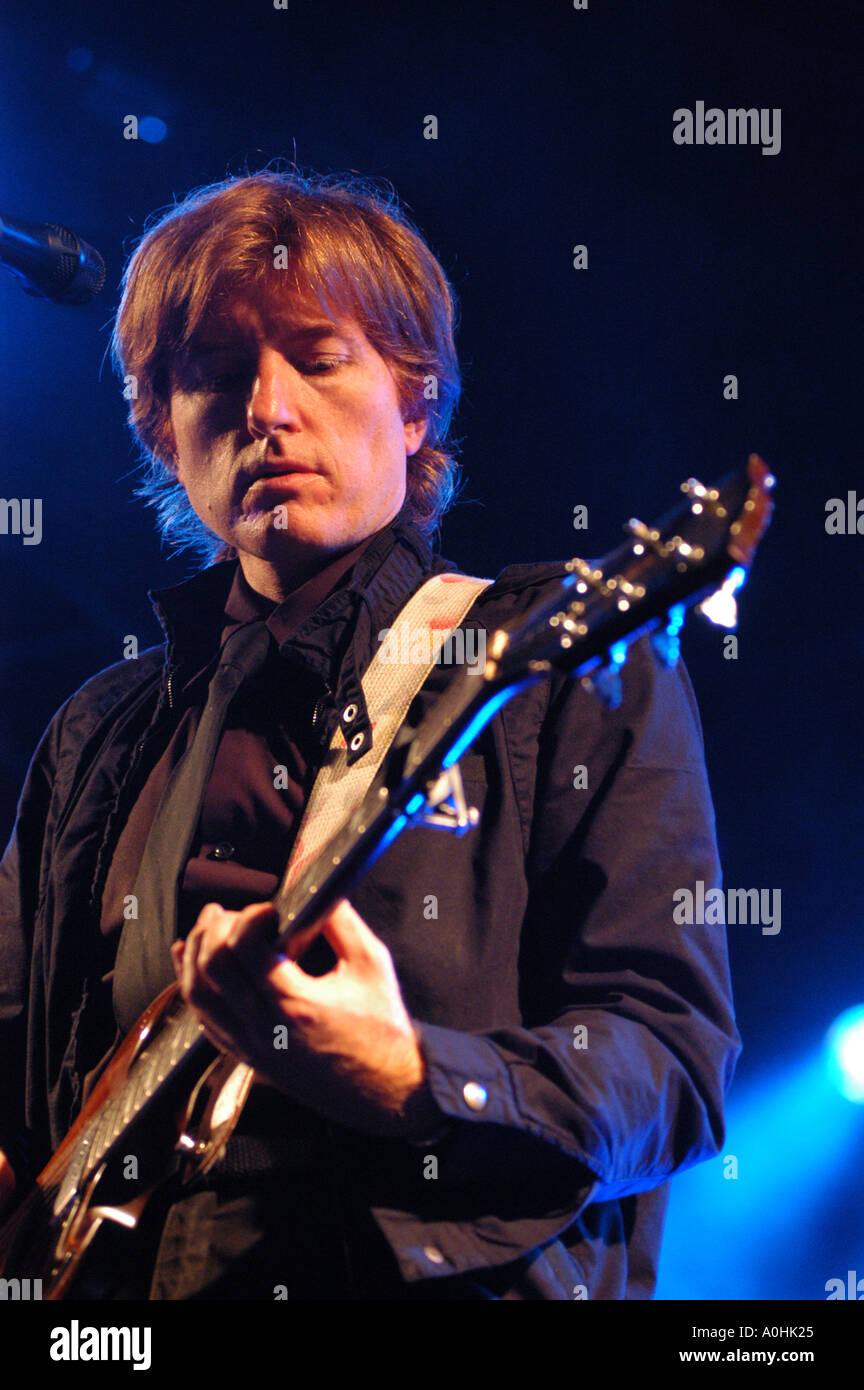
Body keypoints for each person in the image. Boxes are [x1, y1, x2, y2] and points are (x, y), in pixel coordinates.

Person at [0, 168, 740, 1300]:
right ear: (162, 432)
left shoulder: (556, 662)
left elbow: (671, 1067)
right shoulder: (96, 736)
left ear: (415, 399)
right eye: (215, 372)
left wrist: (411, 1076)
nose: (267, 407)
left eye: (317, 354)